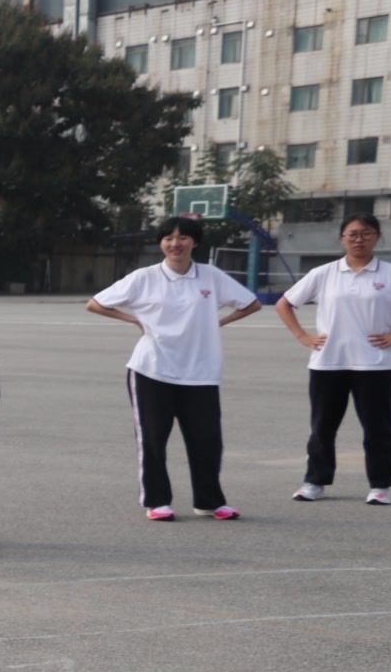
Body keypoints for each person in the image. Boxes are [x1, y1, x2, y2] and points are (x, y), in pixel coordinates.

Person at [87, 217, 261, 521]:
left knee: (207, 440)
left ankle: (209, 501)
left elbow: (251, 303)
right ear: (161, 243)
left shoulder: (211, 276)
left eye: (182, 238)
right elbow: (96, 303)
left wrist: (218, 322)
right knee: (153, 439)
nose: (175, 243)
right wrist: (134, 320)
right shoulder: (145, 277)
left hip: (201, 371)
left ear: (195, 242)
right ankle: (157, 501)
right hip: (152, 370)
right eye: (168, 237)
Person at [276, 214, 391, 506]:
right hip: (328, 363)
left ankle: (380, 485)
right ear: (342, 238)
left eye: (366, 234)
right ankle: (315, 481)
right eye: (353, 234)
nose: (359, 239)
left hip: (374, 363)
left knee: (378, 428)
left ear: (378, 237)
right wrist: (303, 336)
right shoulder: (324, 273)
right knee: (322, 426)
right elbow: (285, 303)